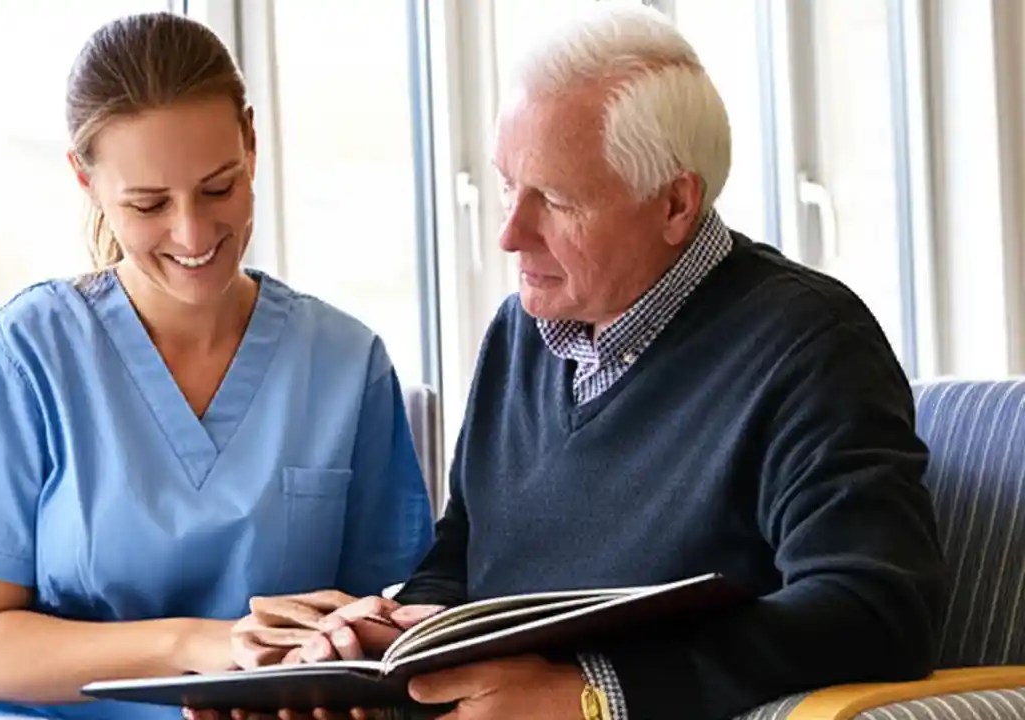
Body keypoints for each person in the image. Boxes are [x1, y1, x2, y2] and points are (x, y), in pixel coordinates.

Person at [203, 3, 947, 719]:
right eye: (506, 186)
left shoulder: (810, 342)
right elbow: (464, 555)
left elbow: (874, 607)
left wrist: (595, 698)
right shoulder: (521, 332)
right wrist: (384, 644)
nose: (509, 234)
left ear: (675, 205)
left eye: (554, 200)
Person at [0, 12, 434, 720]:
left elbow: (378, 628)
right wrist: (203, 646)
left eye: (219, 188)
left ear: (252, 145)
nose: (193, 233)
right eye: (148, 204)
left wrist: (334, 669)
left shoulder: (343, 363)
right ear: (85, 181)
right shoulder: (24, 358)